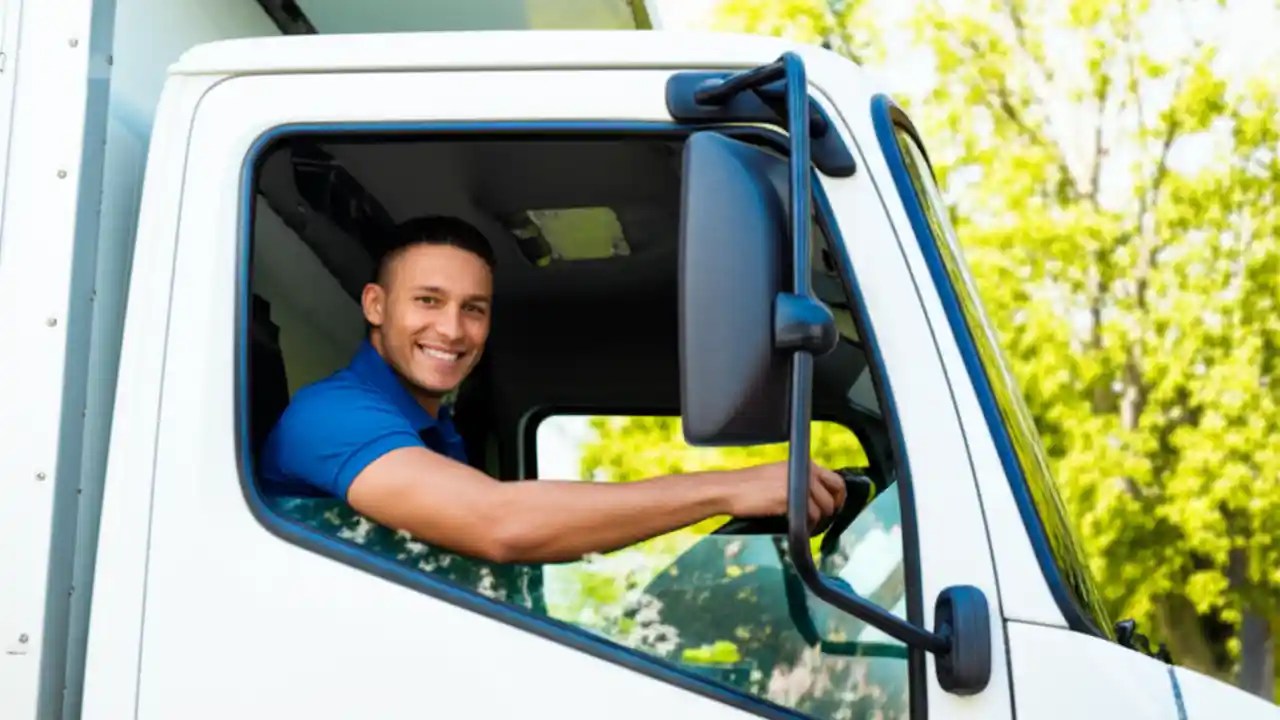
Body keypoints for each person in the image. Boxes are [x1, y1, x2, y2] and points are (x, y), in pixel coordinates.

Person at [259, 215, 846, 564]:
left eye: (474, 309)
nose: (452, 330)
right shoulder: (329, 416)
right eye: (428, 301)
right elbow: (497, 523)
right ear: (376, 305)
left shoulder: (437, 432)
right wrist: (727, 489)